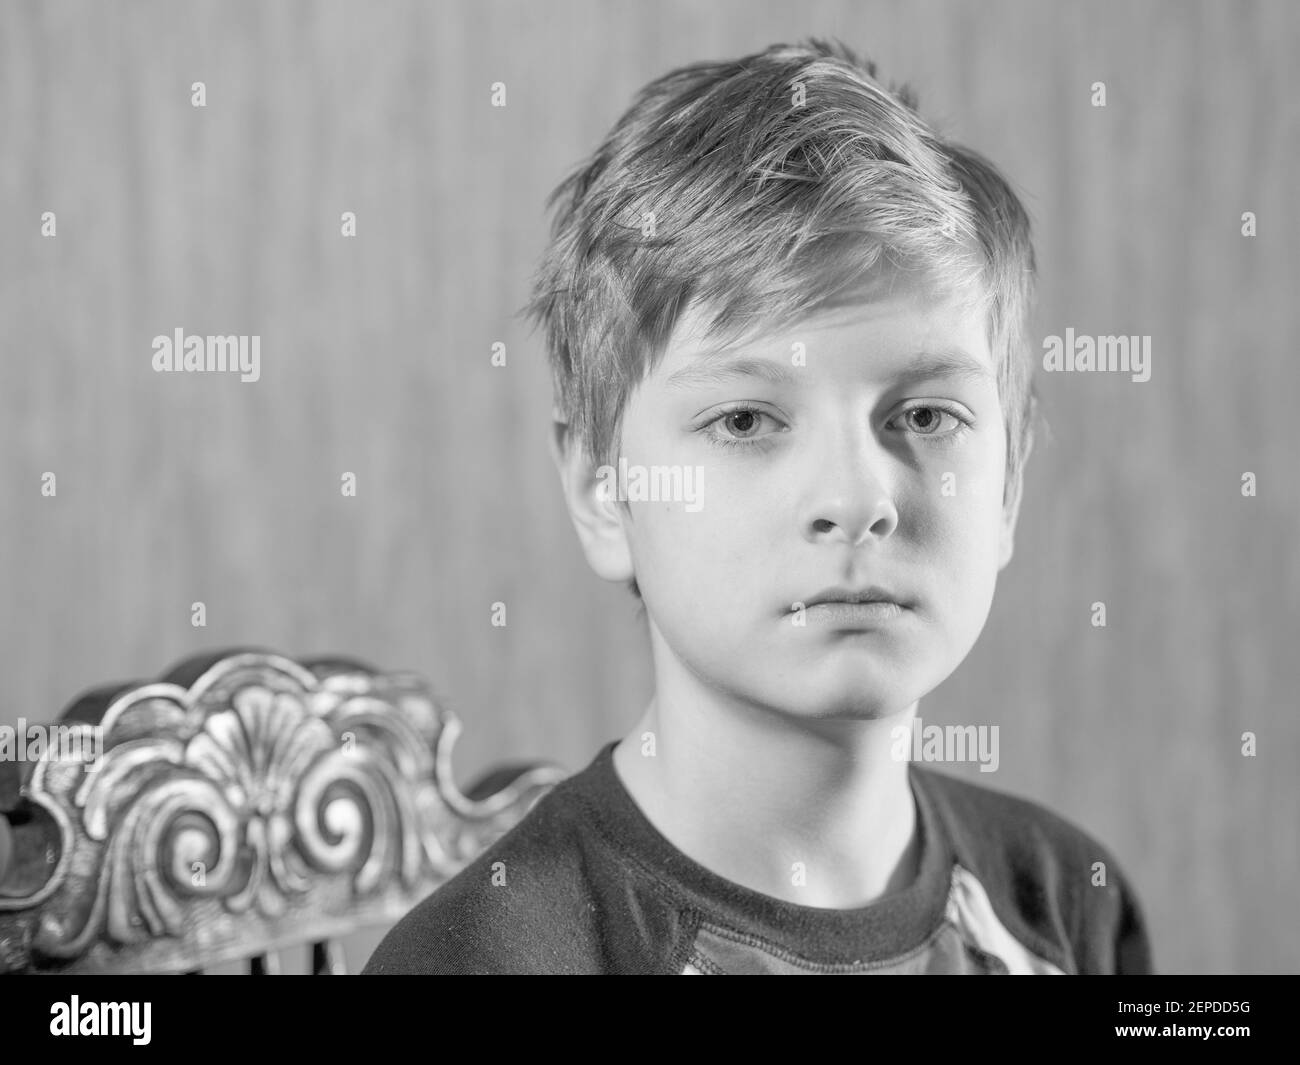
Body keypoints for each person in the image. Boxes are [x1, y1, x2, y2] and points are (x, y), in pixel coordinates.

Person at [364, 37, 1152, 975]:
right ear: (602, 489)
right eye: (744, 419)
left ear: (1011, 482)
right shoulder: (487, 958)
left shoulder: (1063, 901)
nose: (858, 497)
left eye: (927, 414)